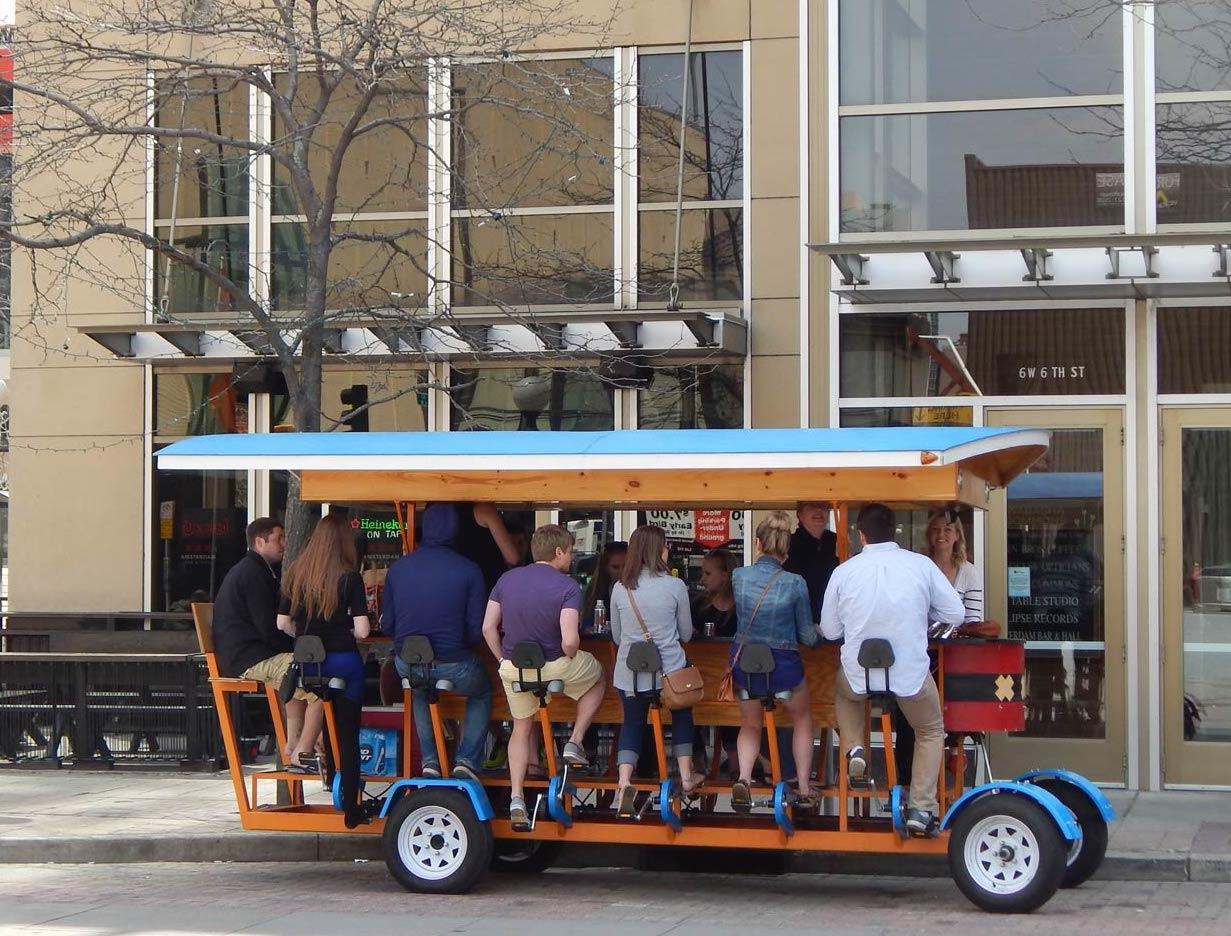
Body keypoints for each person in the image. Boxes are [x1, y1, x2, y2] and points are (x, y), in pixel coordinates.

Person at [821, 503, 965, 837]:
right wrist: (924, 621)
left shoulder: (844, 571)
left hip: (859, 673)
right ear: (895, 531)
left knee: (846, 695)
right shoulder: (921, 566)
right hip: (909, 675)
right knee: (930, 731)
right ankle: (921, 807)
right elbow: (955, 614)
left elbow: (829, 630)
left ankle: (856, 747)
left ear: (861, 535)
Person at [482, 524, 606, 826]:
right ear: (559, 552)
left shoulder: (506, 579)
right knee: (599, 675)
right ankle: (575, 741)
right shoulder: (567, 587)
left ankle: (515, 798)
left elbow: (487, 628)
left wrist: (502, 659)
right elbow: (569, 640)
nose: (573, 557)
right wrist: (572, 654)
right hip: (554, 666)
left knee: (521, 728)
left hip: (514, 668)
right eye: (571, 551)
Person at [382, 503, 492, 782]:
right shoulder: (470, 569)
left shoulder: (398, 568)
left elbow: (388, 625)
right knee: (481, 692)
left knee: (419, 688)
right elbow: (475, 630)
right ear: (455, 531)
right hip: (454, 662)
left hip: (408, 663)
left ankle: (430, 761)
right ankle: (466, 760)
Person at [278, 513, 372, 829]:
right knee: (348, 733)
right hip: (344, 662)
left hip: (310, 664)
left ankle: (329, 776)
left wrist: (307, 637)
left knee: (325, 715)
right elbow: (362, 632)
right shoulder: (350, 578)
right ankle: (351, 807)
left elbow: (283, 623)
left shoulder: (296, 574)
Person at [211, 517, 323, 766]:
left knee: (296, 677)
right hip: (250, 657)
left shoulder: (254, 570)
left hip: (243, 655)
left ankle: (293, 743)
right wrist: (297, 647)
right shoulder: (253, 574)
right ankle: (302, 754)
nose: (284, 543)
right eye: (278, 538)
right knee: (320, 685)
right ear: (260, 542)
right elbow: (269, 627)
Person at [729, 511, 819, 810]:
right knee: (802, 718)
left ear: (757, 544)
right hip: (784, 667)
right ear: (786, 550)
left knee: (750, 722)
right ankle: (804, 786)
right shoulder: (796, 583)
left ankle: (743, 778)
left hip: (746, 664)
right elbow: (807, 636)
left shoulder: (738, 576)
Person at [609, 525, 701, 815]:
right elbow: (686, 633)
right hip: (670, 673)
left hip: (631, 674)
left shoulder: (620, 588)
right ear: (657, 550)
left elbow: (616, 634)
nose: (668, 550)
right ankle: (686, 777)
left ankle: (624, 782)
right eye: (665, 546)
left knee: (633, 723)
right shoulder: (675, 586)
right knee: (682, 714)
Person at [924, 510, 983, 624]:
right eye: (936, 529)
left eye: (947, 530)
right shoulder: (919, 567)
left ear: (957, 535)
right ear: (929, 534)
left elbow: (972, 619)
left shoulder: (969, 572)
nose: (941, 534)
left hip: (957, 640)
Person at [785, 501, 840, 624]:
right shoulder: (789, 544)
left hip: (833, 618)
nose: (819, 511)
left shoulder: (837, 541)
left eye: (823, 506)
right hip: (798, 619)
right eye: (812, 506)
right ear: (799, 513)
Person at [456, 502, 523, 594]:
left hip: (461, 582)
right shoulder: (486, 509)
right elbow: (512, 557)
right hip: (488, 582)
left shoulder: (446, 511)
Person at [581, 540, 628, 632]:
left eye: (625, 566)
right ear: (605, 568)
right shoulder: (595, 589)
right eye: (615, 567)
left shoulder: (637, 589)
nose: (622, 571)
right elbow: (587, 623)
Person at [692, 548, 738, 639]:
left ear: (725, 576)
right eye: (702, 573)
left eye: (708, 574)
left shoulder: (742, 609)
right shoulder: (697, 605)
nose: (702, 580)